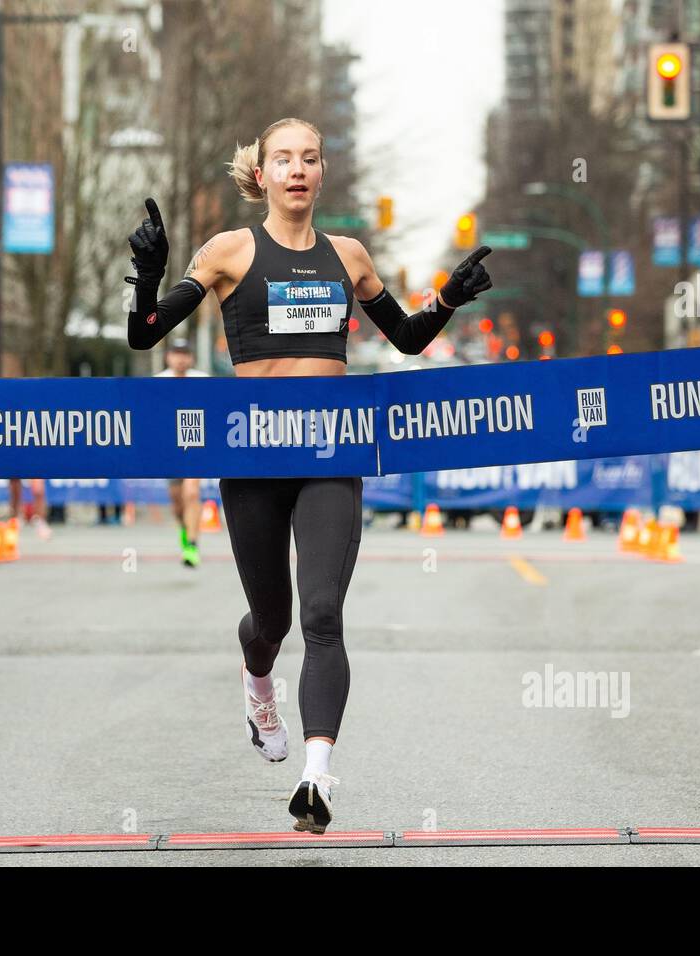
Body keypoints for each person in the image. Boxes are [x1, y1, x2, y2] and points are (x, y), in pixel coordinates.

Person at [125, 119, 491, 832]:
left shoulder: (349, 255)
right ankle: (258, 680)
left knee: (323, 616)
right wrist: (148, 272)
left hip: (330, 453)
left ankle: (316, 779)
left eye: (310, 158)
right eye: (283, 159)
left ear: (323, 174)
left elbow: (408, 340)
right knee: (273, 619)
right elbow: (144, 334)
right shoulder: (230, 250)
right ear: (261, 175)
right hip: (253, 456)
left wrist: (446, 299)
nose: (297, 169)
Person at [155, 338, 210, 567]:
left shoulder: (204, 381)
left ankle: (193, 545)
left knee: (191, 494)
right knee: (177, 503)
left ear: (191, 357)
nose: (180, 358)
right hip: (170, 449)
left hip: (195, 446)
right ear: (168, 357)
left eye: (185, 354)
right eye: (176, 354)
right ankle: (185, 533)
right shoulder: (157, 382)